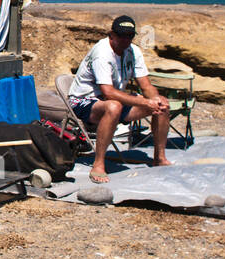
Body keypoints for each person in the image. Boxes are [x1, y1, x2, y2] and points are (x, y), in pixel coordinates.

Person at [67, 15, 171, 182]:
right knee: (113, 106)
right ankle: (98, 164)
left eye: (129, 36)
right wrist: (145, 102)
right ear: (111, 34)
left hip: (115, 101)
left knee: (162, 104)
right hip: (83, 101)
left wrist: (155, 100)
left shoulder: (133, 51)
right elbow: (107, 92)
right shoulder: (102, 53)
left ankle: (159, 158)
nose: (125, 40)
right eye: (121, 35)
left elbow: (146, 86)